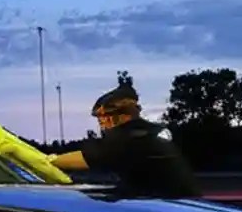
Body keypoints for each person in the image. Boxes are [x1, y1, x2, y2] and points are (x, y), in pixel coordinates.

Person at [47, 83, 201, 198]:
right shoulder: (148, 132)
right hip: (180, 201)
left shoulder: (129, 138)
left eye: (105, 118)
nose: (102, 124)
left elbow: (87, 157)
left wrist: (50, 160)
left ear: (121, 116)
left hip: (167, 207)